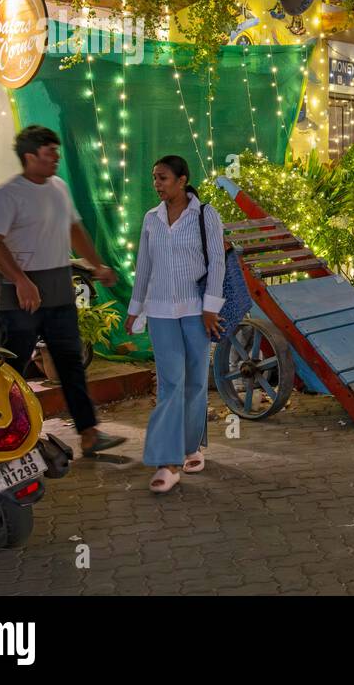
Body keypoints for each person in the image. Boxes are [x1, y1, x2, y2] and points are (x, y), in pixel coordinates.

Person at [0, 126, 126, 457]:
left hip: (59, 291)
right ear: (30, 157)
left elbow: (74, 229)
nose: (56, 160)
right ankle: (4, 437)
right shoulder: (5, 194)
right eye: (50, 154)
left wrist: (98, 265)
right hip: (21, 296)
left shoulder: (59, 187)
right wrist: (20, 279)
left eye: (57, 153)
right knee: (14, 370)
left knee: (71, 363)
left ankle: (89, 433)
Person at [125, 156, 225, 493]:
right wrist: (135, 309)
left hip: (197, 311)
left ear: (182, 180)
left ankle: (190, 446)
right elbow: (144, 267)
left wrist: (211, 307)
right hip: (160, 312)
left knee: (196, 381)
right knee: (170, 383)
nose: (157, 184)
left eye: (163, 178)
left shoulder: (205, 215)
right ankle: (167, 462)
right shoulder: (151, 219)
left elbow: (218, 264)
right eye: (154, 178)